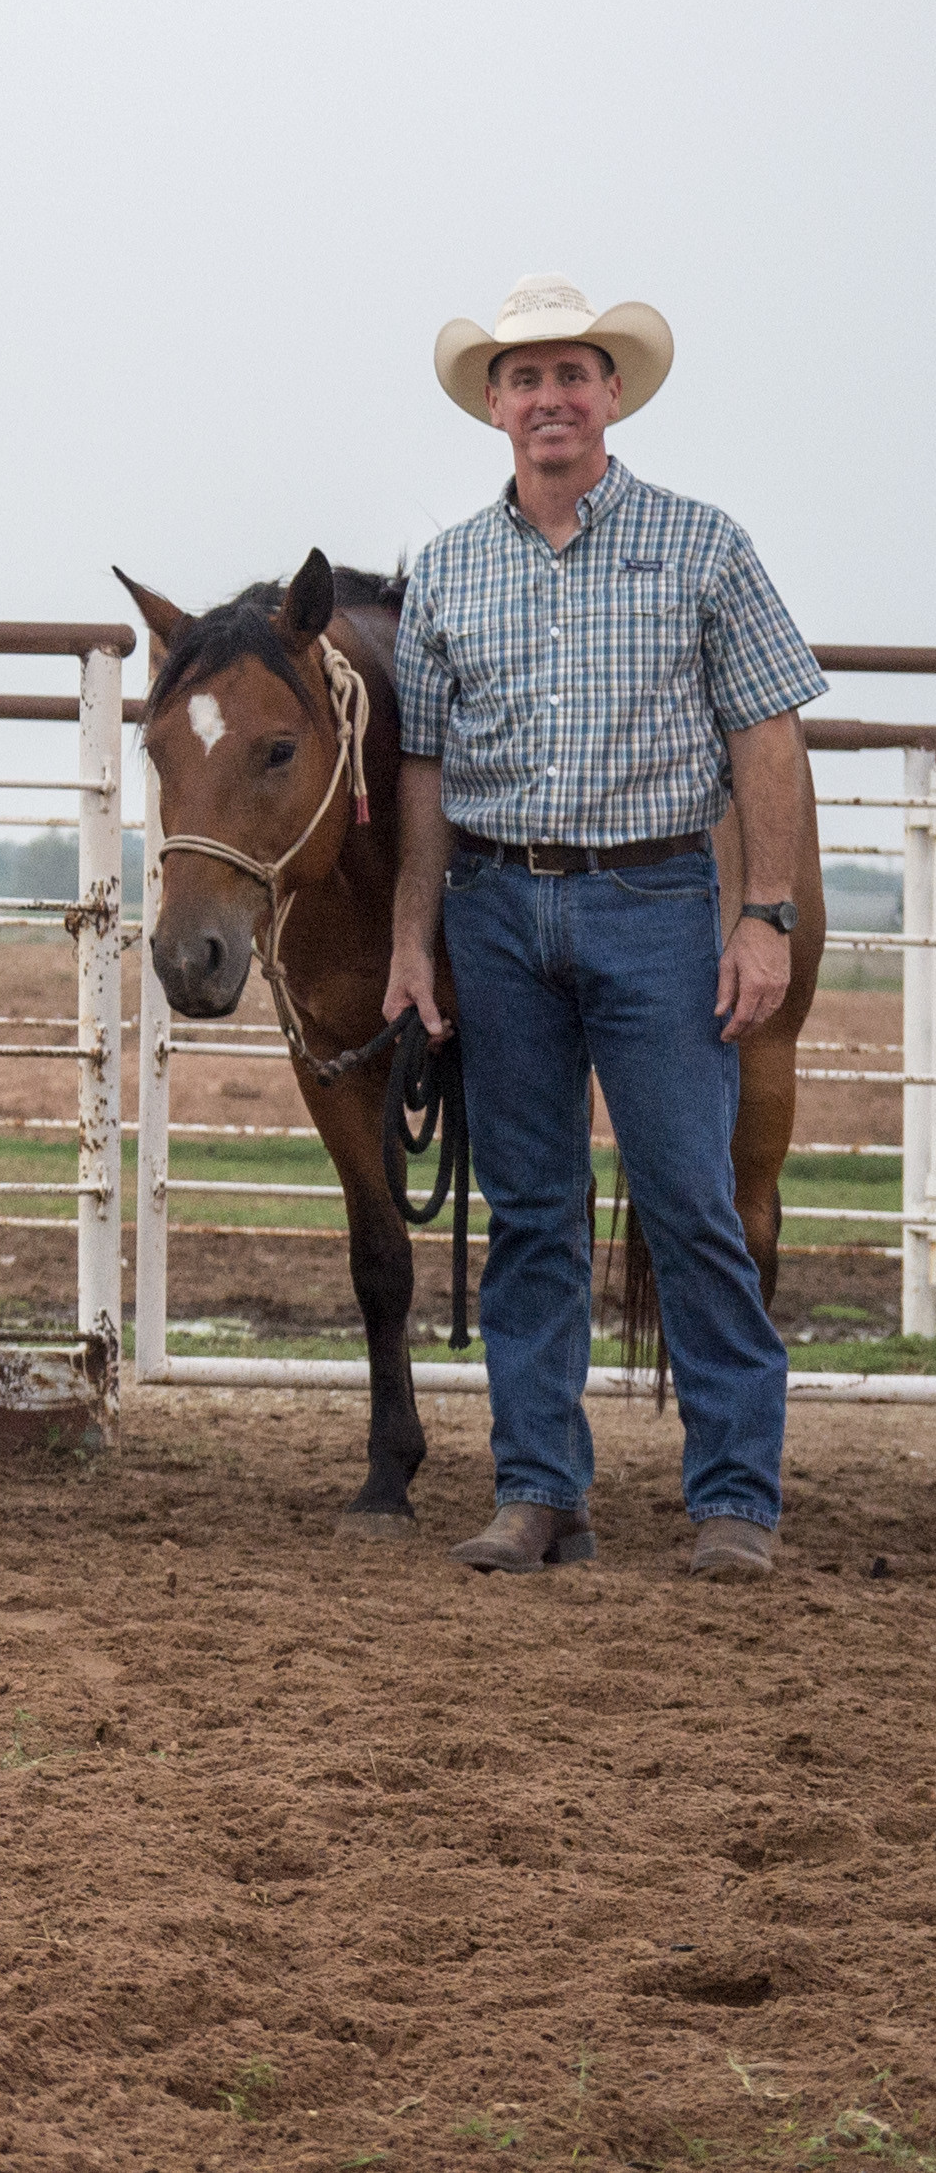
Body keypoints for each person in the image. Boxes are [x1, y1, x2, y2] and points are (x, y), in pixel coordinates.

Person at [385, 275, 824, 1582]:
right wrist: (413, 938)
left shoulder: (703, 546)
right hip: (495, 905)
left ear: (610, 393)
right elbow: (418, 771)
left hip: (654, 901)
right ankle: (537, 1491)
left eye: (570, 374)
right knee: (527, 1210)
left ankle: (733, 1494)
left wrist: (764, 914)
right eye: (521, 380)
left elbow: (766, 733)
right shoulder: (445, 571)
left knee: (686, 1198)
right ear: (491, 406)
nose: (547, 399)